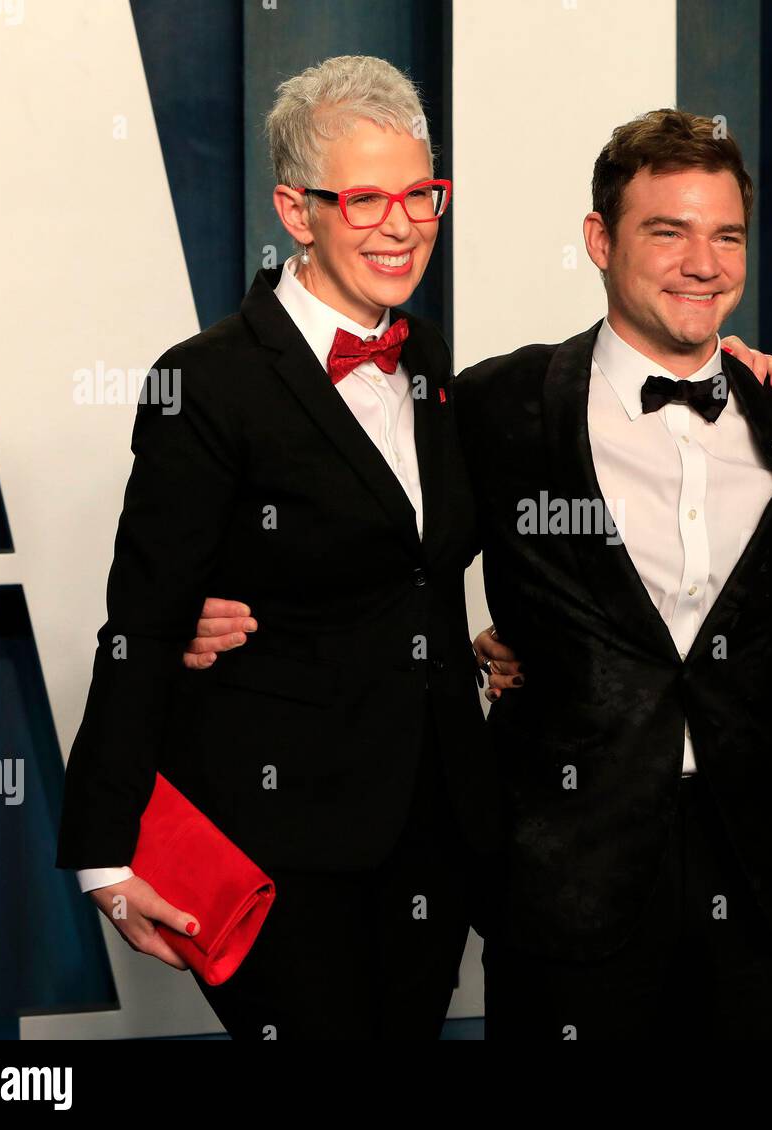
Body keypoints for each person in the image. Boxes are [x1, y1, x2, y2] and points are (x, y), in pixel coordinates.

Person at [192, 109, 772, 1039]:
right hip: (566, 875)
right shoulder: (489, 404)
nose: (704, 261)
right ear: (600, 241)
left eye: (725, 234)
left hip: (754, 871)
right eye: (668, 231)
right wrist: (200, 612)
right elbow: (375, 547)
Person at [55, 55, 500, 1040]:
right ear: (296, 212)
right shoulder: (207, 382)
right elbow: (142, 619)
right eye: (367, 198)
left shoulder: (425, 354)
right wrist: (104, 853)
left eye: (421, 193)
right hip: (280, 840)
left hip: (435, 826)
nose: (402, 224)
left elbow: (414, 568)